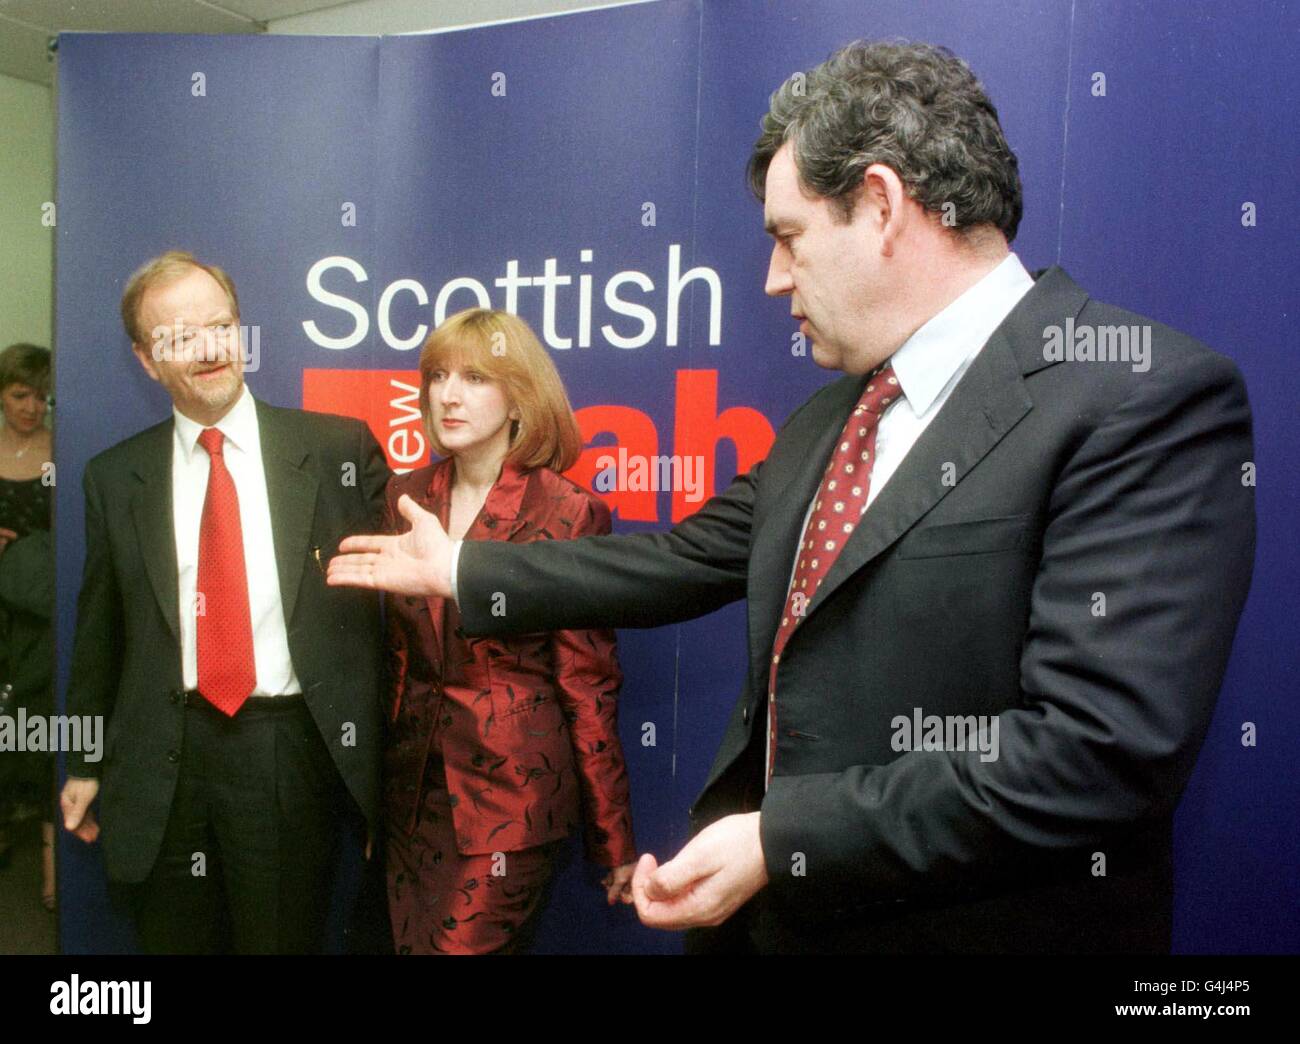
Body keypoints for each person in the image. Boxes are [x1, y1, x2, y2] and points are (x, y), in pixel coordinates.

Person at [328, 41, 1255, 954]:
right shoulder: (828, 420)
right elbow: (678, 560)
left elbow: (1096, 755)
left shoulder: (1136, 396)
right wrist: (466, 568)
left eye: (787, 237)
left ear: (883, 204)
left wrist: (783, 840)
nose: (773, 278)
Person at [60, 251, 389, 953]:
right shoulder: (115, 478)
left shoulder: (335, 449)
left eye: (220, 326)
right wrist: (84, 761)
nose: (208, 349)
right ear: (147, 360)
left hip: (285, 753)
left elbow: (391, 625)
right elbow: (101, 633)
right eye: (179, 336)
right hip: (161, 762)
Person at [383, 308, 636, 954]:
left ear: (520, 397)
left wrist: (612, 839)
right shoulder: (404, 498)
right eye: (437, 375)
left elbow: (586, 683)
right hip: (412, 807)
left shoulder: (566, 511)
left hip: (510, 806)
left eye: (474, 377)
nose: (448, 394)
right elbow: (396, 661)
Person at [0, 343, 55, 911]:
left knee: (40, 726)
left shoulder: (60, 450)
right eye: (19, 394)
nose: (31, 407)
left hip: (38, 614)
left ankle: (49, 863)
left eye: (41, 397)